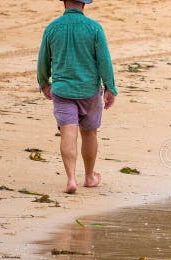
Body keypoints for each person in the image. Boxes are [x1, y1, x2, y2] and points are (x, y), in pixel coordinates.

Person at [37, 0, 118, 194]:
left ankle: (71, 179)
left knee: (68, 132)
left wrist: (44, 83)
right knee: (89, 133)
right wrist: (110, 87)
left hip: (63, 90)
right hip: (89, 90)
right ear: (84, 4)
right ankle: (89, 177)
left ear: (64, 2)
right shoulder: (94, 28)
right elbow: (104, 61)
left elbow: (43, 59)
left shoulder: (52, 28)